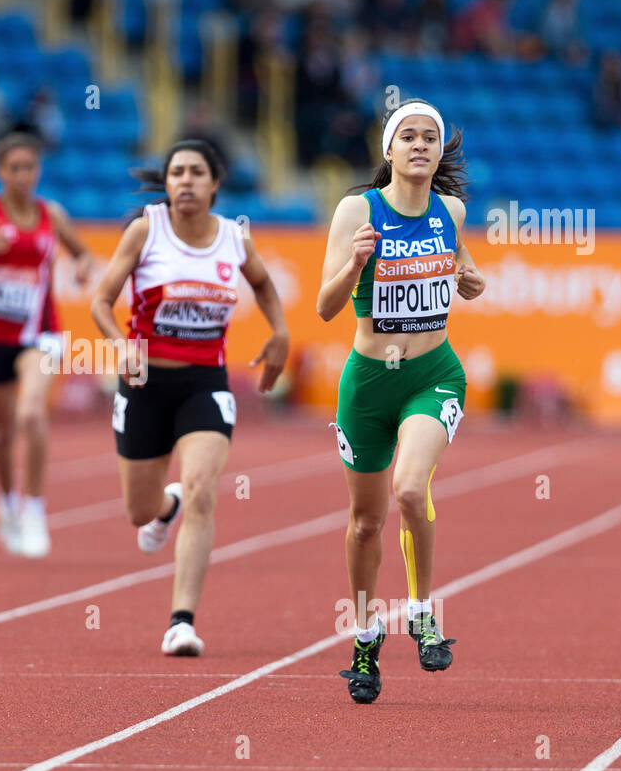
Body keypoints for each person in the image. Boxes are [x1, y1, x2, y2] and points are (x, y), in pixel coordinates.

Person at [89, 140, 289, 656]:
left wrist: (280, 333)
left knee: (203, 489)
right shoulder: (146, 230)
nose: (184, 181)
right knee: (139, 512)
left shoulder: (233, 240)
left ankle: (181, 621)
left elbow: (264, 286)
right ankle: (164, 505)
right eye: (176, 172)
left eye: (196, 172)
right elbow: (100, 300)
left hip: (205, 384)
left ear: (214, 183)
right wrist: (120, 346)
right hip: (144, 385)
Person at [315, 100, 485, 703]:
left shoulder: (453, 210)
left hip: (432, 375)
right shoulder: (357, 210)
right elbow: (325, 307)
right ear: (388, 150)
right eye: (407, 136)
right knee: (365, 522)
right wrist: (355, 263)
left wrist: (472, 279)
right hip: (367, 383)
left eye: (430, 138)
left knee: (411, 489)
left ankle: (422, 611)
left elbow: (466, 272)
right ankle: (365, 637)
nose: (419, 145)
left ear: (440, 152)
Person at [0, 133, 94, 557]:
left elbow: (83, 254)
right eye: (14, 168)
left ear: (38, 170)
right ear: (0, 172)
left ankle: (34, 507)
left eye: (30, 167)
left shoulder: (52, 214)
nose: (23, 176)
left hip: (40, 334)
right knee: (1, 432)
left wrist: (83, 269)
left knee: (31, 412)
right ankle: (6, 501)